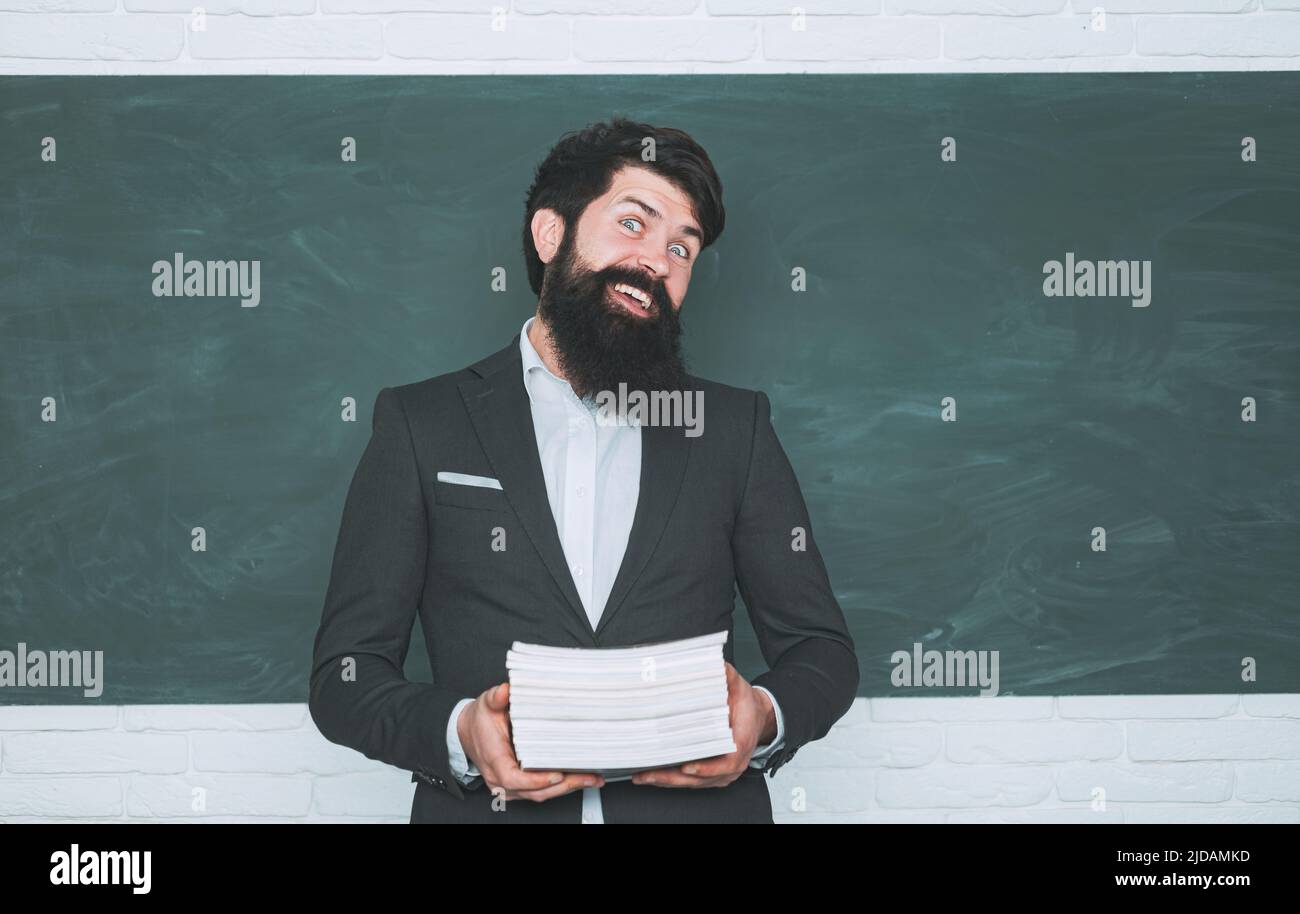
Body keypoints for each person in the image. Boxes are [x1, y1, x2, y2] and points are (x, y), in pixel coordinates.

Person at [309, 117, 858, 823]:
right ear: (549, 235)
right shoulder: (422, 424)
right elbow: (344, 678)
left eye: (681, 249)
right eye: (634, 223)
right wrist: (461, 732)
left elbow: (821, 651)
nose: (657, 262)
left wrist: (764, 715)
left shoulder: (733, 429)